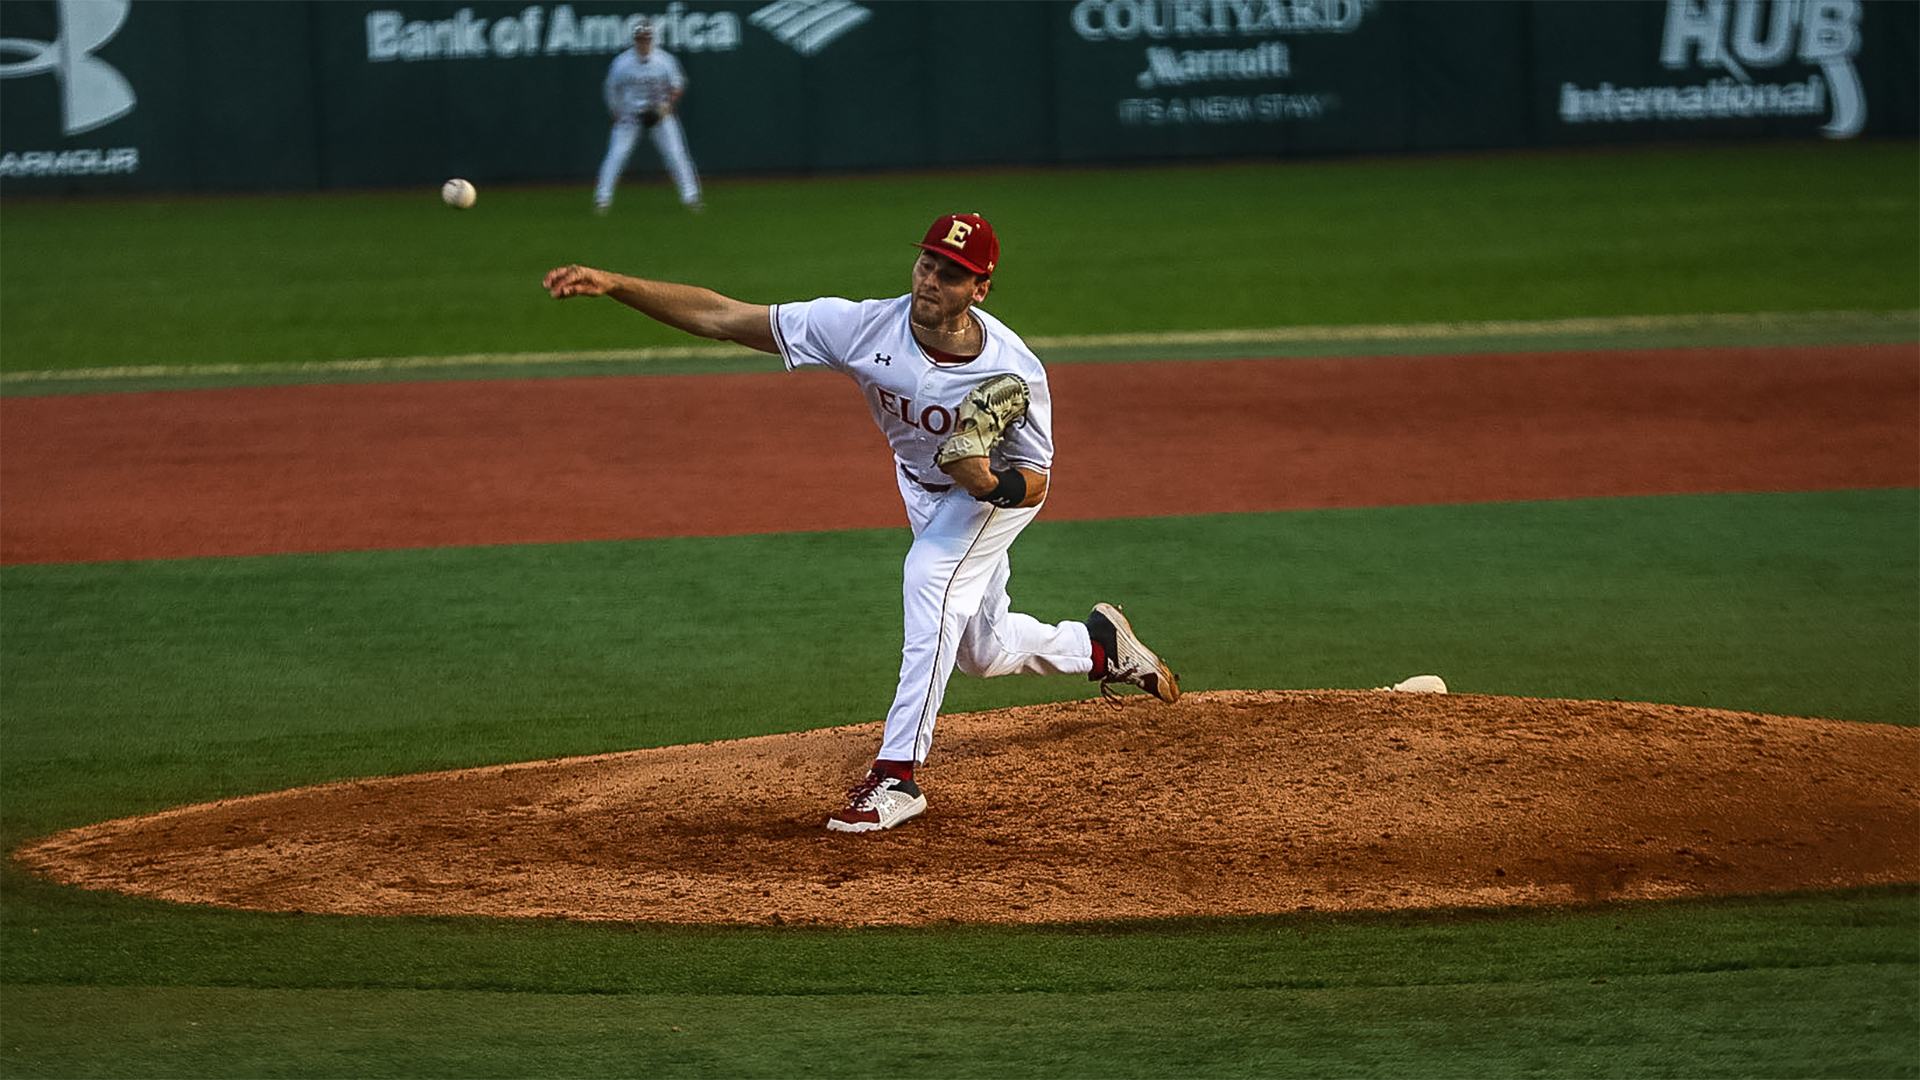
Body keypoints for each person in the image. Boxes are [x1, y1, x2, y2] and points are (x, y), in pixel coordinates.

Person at [542, 213, 1180, 833]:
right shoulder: (860, 327)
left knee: (929, 578)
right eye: (928, 262)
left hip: (991, 500)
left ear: (979, 289)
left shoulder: (1012, 369)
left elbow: (1037, 477)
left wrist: (987, 482)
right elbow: (724, 316)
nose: (932, 279)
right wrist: (617, 284)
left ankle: (897, 775)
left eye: (952, 274)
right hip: (921, 490)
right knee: (982, 654)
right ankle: (1099, 646)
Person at [594, 19, 703, 213]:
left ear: (652, 39)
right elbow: (611, 89)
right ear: (635, 41)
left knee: (676, 155)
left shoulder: (664, 60)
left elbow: (677, 87)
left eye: (646, 39)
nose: (643, 44)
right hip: (630, 116)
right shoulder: (622, 63)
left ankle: (691, 197)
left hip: (660, 116)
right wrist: (616, 111)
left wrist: (664, 109)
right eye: (640, 40)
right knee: (616, 155)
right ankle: (602, 199)